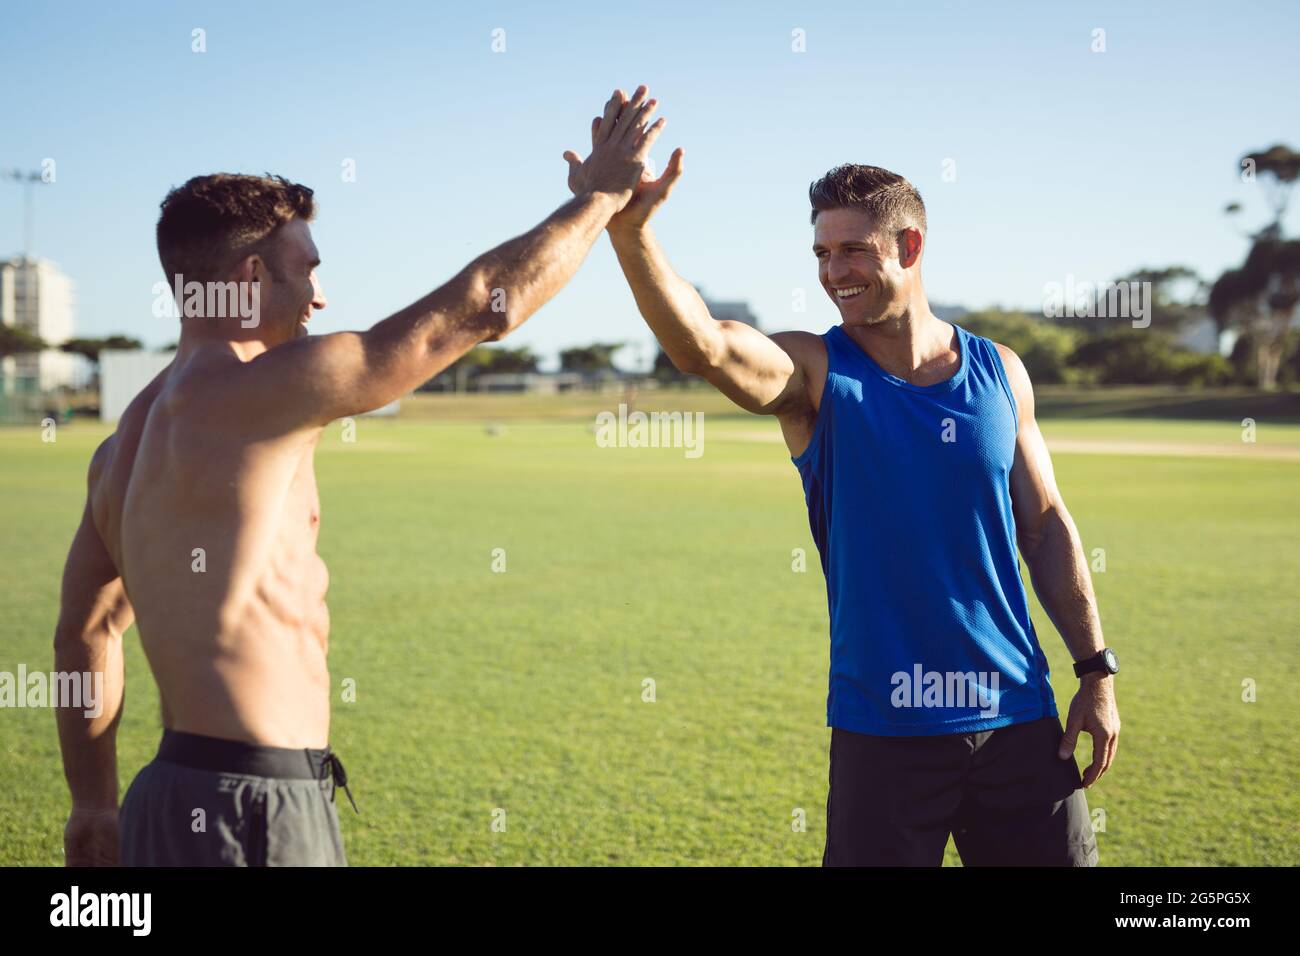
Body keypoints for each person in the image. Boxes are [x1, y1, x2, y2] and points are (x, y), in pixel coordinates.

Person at [54, 85, 666, 866]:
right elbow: (481, 307)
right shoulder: (258, 394)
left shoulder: (121, 449)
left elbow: (86, 633)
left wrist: (92, 806)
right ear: (248, 279)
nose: (319, 294)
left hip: (166, 798)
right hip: (256, 810)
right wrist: (602, 198)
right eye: (305, 270)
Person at [592, 155, 1120, 866]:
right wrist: (632, 233)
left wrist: (1096, 670)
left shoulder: (1001, 371)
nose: (833, 271)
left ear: (910, 247)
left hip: (1020, 720)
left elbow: (1046, 522)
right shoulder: (815, 372)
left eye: (852, 250)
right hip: (884, 732)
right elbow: (707, 349)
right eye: (820, 253)